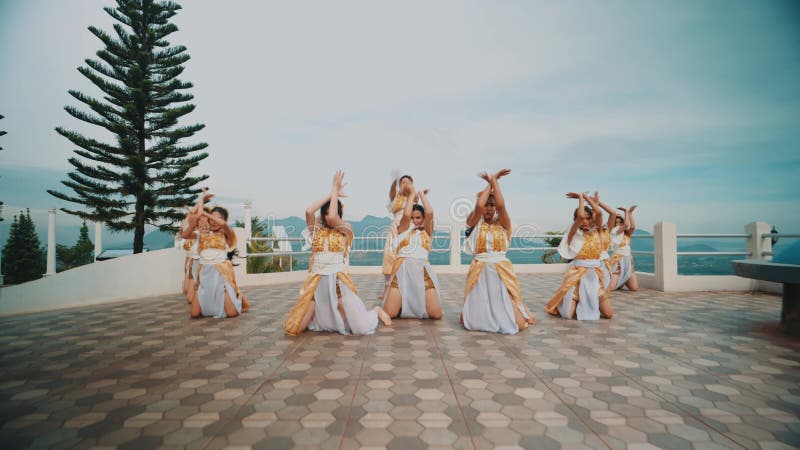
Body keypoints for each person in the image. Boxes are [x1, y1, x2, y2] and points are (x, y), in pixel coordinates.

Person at [285, 171, 392, 335]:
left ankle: (375, 311)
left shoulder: (346, 231)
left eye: (331, 213)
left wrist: (335, 189)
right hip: (316, 285)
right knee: (294, 329)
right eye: (325, 213)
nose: (328, 217)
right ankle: (319, 314)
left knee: (362, 328)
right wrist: (332, 193)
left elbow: (334, 217)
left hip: (338, 285)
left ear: (340, 215)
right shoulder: (315, 232)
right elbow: (308, 211)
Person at [461, 169, 535, 334]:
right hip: (480, 272)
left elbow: (502, 206)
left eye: (491, 205)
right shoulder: (473, 222)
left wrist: (495, 181)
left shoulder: (504, 224)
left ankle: (514, 306)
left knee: (520, 325)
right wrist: (490, 183)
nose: (488, 208)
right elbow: (479, 206)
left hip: (501, 271)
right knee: (475, 321)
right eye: (487, 204)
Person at [545, 192, 614, 320]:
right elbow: (581, 215)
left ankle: (591, 302)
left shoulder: (598, 231)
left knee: (609, 314)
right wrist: (581, 198)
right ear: (576, 220)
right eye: (581, 219)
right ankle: (577, 300)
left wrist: (588, 198)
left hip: (594, 276)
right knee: (568, 315)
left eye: (588, 218)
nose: (584, 221)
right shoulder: (573, 234)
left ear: (592, 219)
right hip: (577, 276)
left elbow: (599, 213)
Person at [383, 184, 442, 319]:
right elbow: (406, 214)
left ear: (423, 219)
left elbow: (430, 213)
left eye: (418, 218)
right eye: (412, 218)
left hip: (422, 272)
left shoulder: (427, 232)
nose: (414, 221)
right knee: (389, 313)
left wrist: (420, 194)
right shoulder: (403, 229)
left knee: (436, 314)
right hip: (402, 270)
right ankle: (398, 304)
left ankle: (404, 304)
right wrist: (411, 195)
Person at [608, 205, 639, 291]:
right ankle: (619, 279)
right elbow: (626, 224)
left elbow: (632, 227)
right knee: (611, 288)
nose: (618, 224)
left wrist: (630, 214)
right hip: (618, 260)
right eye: (616, 222)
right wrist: (626, 211)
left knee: (634, 288)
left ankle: (622, 280)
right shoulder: (614, 232)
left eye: (620, 222)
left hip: (628, 259)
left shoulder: (627, 234)